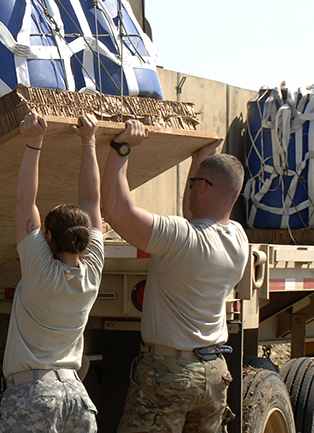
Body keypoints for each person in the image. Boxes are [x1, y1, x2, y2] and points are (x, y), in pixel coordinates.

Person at [102, 121, 248, 433]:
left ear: (204, 187)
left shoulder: (181, 238)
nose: (191, 187)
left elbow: (116, 211)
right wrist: (199, 161)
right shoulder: (237, 239)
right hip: (213, 373)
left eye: (194, 182)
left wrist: (121, 149)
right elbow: (197, 215)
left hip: (169, 373)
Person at [0, 113, 105, 433]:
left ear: (47, 238)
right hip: (77, 397)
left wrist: (35, 141)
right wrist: (89, 140)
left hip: (33, 397)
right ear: (85, 240)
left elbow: (23, 200)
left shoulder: (38, 269)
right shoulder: (93, 269)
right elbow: (92, 201)